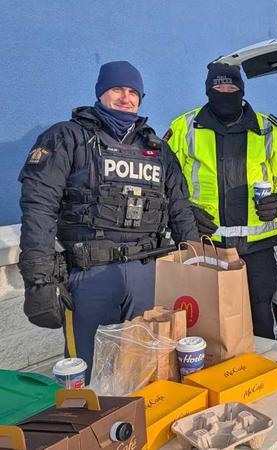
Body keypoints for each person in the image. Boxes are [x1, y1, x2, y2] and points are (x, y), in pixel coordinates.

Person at [18, 61, 199, 374]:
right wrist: (38, 279)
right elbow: (39, 206)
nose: (126, 97)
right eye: (117, 89)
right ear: (101, 92)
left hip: (147, 273)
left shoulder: (157, 150)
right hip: (91, 275)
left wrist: (196, 262)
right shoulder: (67, 137)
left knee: (145, 366)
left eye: (133, 92)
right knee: (90, 368)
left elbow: (179, 207)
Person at [166, 62, 277, 339]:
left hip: (258, 249)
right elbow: (163, 181)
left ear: (241, 90)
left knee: (260, 316)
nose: (225, 91)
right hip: (205, 246)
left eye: (231, 86)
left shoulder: (267, 128)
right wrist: (183, 210)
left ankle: (262, 371)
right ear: (208, 91)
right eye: (219, 86)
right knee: (206, 319)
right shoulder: (184, 128)